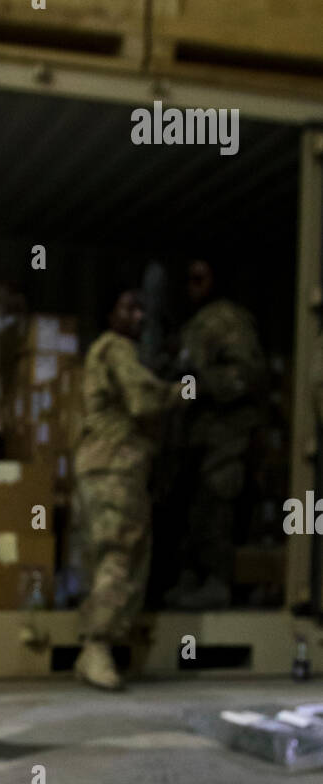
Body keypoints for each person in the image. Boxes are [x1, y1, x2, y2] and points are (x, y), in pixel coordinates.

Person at [74, 289, 184, 691]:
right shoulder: (117, 348)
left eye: (141, 309)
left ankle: (91, 648)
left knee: (101, 556)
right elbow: (142, 399)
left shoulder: (101, 351)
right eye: (128, 308)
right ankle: (98, 645)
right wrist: (184, 390)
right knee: (120, 554)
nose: (137, 316)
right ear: (110, 314)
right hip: (116, 466)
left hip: (100, 466)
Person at [165, 257, 267, 610]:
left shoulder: (228, 319)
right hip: (199, 435)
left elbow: (247, 374)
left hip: (228, 433)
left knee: (218, 498)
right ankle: (195, 576)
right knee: (195, 506)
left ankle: (220, 580)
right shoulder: (193, 324)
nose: (192, 286)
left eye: (200, 278)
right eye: (189, 279)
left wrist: (199, 382)